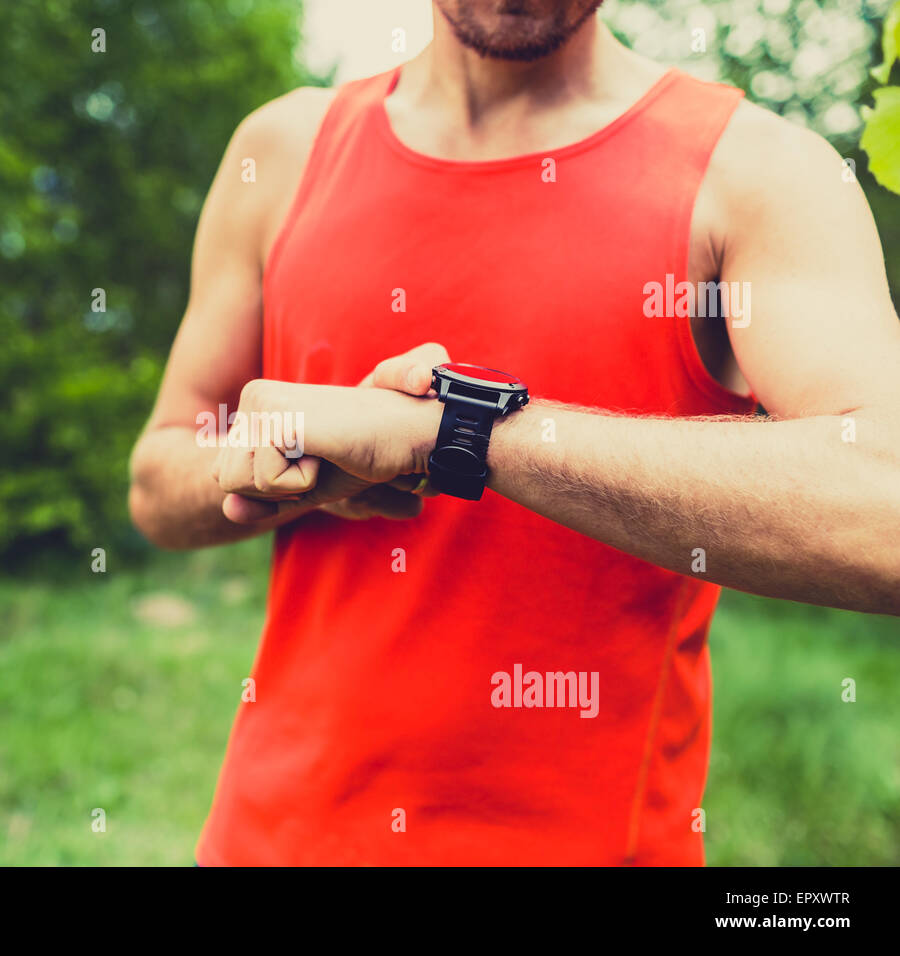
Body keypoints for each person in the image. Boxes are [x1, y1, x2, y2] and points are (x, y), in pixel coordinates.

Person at [128, 0, 900, 865]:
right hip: (269, 840)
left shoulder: (757, 173)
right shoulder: (281, 151)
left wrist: (457, 436)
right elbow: (158, 482)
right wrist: (297, 462)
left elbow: (886, 513)